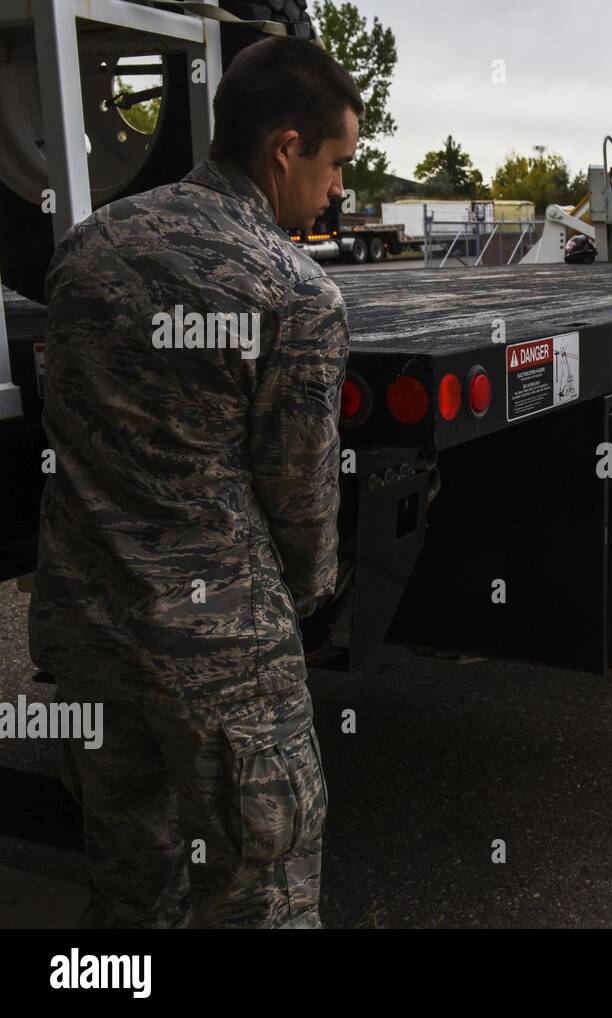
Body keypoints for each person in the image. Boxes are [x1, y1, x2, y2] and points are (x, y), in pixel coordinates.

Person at [26, 35, 362, 929]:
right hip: (221, 651)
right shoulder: (296, 294)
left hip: (88, 627)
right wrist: (302, 602)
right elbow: (300, 499)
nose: (339, 191)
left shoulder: (88, 244)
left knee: (130, 878)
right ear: (285, 148)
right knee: (262, 891)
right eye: (336, 165)